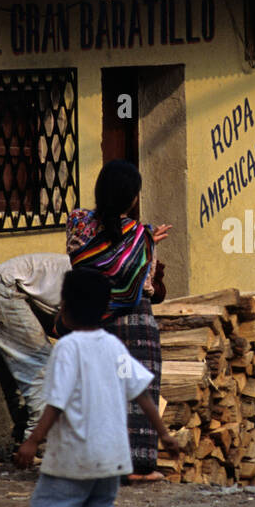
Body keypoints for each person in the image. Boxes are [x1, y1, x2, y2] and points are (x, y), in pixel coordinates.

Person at [12, 268, 179, 507]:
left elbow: (56, 403)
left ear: (64, 308)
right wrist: (164, 434)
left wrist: (32, 441)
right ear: (105, 310)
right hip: (113, 457)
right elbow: (142, 393)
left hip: (73, 458)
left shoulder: (67, 349)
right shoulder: (113, 346)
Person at [66, 160, 172, 482]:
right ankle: (137, 468)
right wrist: (149, 241)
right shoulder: (141, 237)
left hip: (92, 318)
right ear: (133, 198)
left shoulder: (78, 223)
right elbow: (150, 290)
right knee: (138, 392)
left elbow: (84, 261)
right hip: (136, 322)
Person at [0, 253, 73, 443]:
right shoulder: (96, 281)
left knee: (15, 373)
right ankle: (40, 440)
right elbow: (67, 325)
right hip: (3, 289)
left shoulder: (91, 266)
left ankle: (23, 435)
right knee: (43, 367)